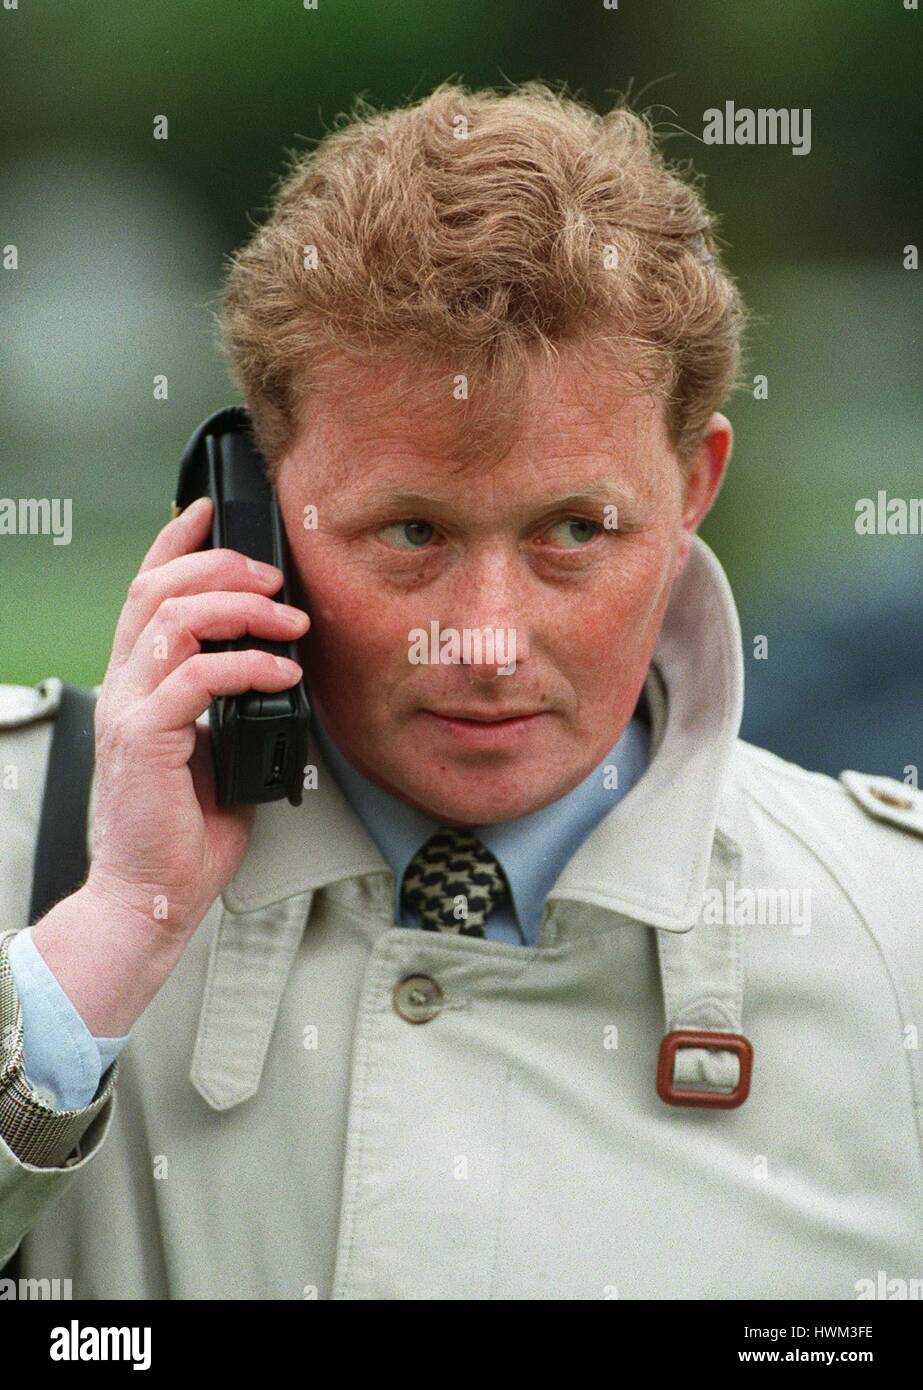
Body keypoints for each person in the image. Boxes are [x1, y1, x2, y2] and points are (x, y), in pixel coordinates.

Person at [1, 81, 920, 1301]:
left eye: (573, 531)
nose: (483, 642)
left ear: (692, 486)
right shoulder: (28, 839)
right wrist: (109, 937)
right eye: (411, 531)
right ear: (253, 503)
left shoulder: (892, 937)